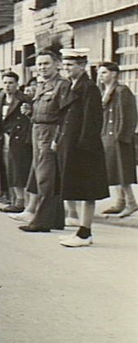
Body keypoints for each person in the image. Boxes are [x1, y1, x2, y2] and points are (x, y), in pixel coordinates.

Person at [55, 48, 109, 247]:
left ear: (82, 65)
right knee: (78, 188)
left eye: (71, 65)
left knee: (87, 191)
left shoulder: (89, 87)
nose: (66, 69)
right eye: (65, 65)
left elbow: (92, 120)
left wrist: (84, 147)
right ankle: (81, 231)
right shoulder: (72, 86)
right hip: (71, 144)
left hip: (84, 148)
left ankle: (85, 233)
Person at [14, 49, 70, 233]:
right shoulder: (42, 85)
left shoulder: (62, 85)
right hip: (37, 130)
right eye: (39, 64)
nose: (42, 67)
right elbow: (43, 112)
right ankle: (55, 220)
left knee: (46, 177)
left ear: (57, 64)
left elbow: (65, 115)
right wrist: (30, 112)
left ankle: (40, 221)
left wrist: (57, 138)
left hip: (50, 133)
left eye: (46, 63)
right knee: (42, 175)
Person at [98, 62, 138, 218]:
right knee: (113, 168)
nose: (101, 77)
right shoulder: (105, 91)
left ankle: (131, 202)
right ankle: (119, 201)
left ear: (114, 74)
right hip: (106, 135)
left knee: (123, 170)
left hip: (118, 136)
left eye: (104, 73)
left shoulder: (122, 91)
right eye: (100, 73)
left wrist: (122, 135)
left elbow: (128, 115)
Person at [0, 72, 33, 214]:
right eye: (5, 83)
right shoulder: (1, 98)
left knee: (19, 170)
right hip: (4, 137)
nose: (7, 86)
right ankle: (12, 198)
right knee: (8, 168)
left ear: (17, 84)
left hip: (19, 138)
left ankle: (21, 202)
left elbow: (29, 119)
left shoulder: (23, 99)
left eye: (11, 83)